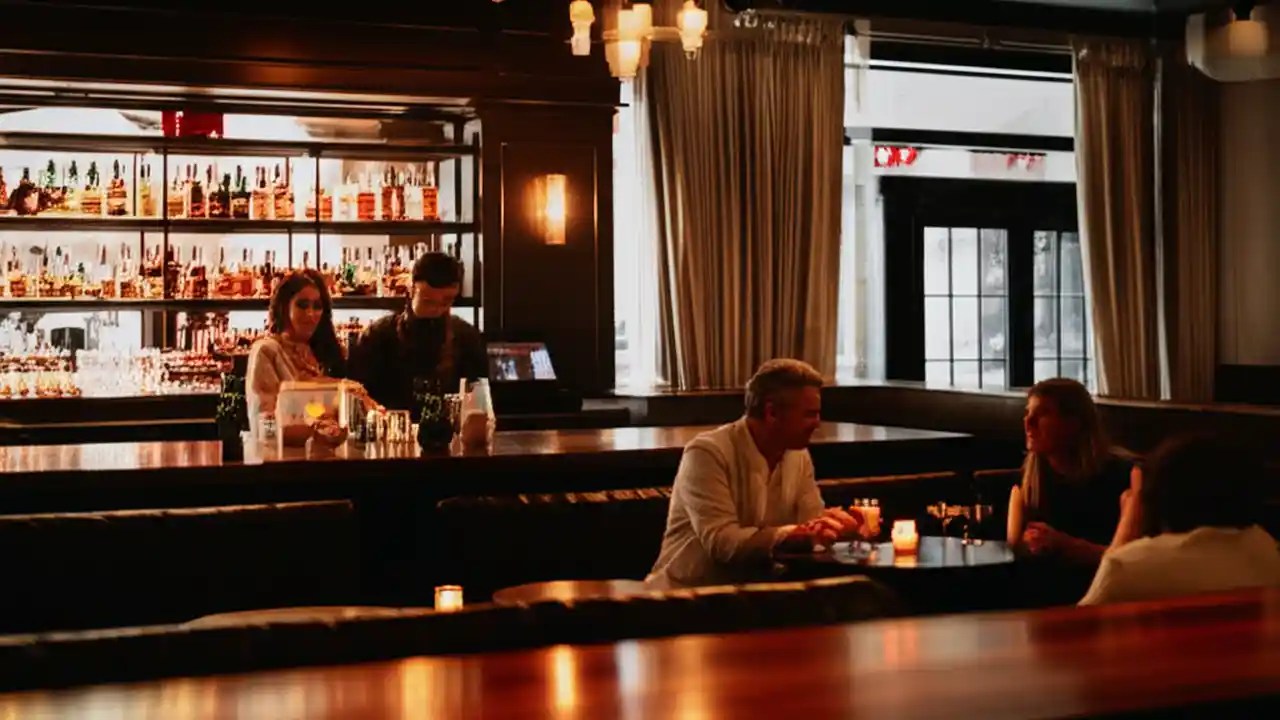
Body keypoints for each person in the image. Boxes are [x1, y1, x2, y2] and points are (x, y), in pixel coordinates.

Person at [646, 359, 864, 590]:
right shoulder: (707, 453)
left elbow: (812, 522)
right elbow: (723, 543)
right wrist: (793, 534)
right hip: (687, 598)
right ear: (771, 412)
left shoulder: (798, 455)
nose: (817, 424)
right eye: (809, 415)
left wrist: (841, 528)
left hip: (759, 595)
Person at [1079, 434, 1280, 605]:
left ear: (1158, 496)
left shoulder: (1127, 567)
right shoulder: (1266, 549)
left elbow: (1078, 631)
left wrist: (1130, 516)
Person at [1007, 378, 1132, 566]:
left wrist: (1066, 545)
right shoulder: (1026, 484)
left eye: (1043, 413)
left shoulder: (1123, 477)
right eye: (1027, 413)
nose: (1029, 422)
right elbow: (1014, 555)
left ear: (1075, 423)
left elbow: (1134, 558)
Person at [348, 252, 487, 411]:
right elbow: (358, 396)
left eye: (446, 301)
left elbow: (479, 402)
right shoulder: (377, 336)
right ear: (411, 289)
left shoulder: (467, 338)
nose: (437, 309)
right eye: (428, 301)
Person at [246, 269, 350, 439]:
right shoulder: (267, 351)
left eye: (317, 306)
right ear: (284, 307)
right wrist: (316, 429)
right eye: (302, 305)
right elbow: (265, 425)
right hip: (283, 460)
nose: (311, 314)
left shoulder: (325, 354)